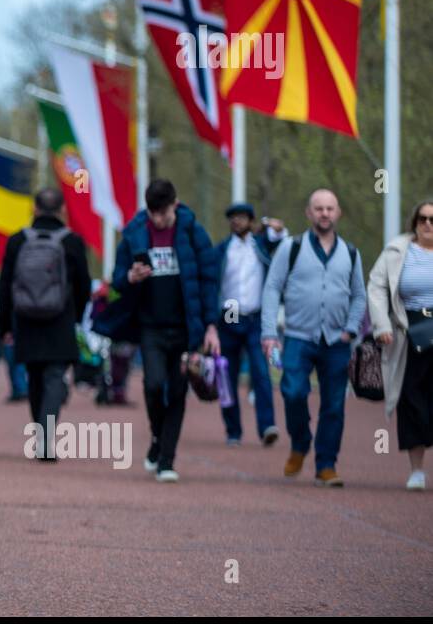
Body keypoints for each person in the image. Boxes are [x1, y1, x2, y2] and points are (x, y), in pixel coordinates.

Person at [112, 179, 220, 483]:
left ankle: (167, 461)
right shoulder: (135, 233)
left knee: (178, 389)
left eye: (164, 212)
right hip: (150, 326)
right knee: (153, 385)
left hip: (187, 326)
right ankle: (158, 438)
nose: (158, 219)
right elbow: (116, 278)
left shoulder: (193, 232)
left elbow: (210, 280)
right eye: (153, 213)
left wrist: (212, 326)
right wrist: (131, 277)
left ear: (175, 203)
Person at [261, 188, 366, 487]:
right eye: (318, 208)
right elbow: (271, 289)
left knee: (333, 404)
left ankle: (326, 464)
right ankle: (300, 441)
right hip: (297, 336)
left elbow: (359, 295)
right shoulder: (290, 248)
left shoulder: (350, 253)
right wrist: (269, 333)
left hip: (337, 341)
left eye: (330, 208)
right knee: (293, 392)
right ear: (309, 213)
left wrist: (351, 328)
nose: (324, 213)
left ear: (338, 213)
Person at [0, 187, 91, 461]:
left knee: (35, 377)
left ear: (34, 209)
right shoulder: (72, 242)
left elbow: (5, 286)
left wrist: (4, 326)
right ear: (62, 210)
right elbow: (83, 285)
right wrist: (77, 315)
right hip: (60, 319)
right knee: (54, 377)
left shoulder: (16, 241)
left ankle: (41, 434)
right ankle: (46, 438)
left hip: (26, 318)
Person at [366, 199, 433, 491]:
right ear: (414, 222)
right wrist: (381, 325)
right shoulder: (397, 251)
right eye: (423, 219)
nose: (429, 225)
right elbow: (377, 286)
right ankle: (416, 470)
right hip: (409, 331)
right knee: (411, 399)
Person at [213, 202, 286, 447]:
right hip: (230, 314)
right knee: (227, 375)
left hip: (255, 316)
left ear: (251, 221)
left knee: (261, 371)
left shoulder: (261, 245)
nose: (236, 221)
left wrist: (270, 224)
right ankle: (232, 429)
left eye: (242, 217)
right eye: (233, 218)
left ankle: (267, 426)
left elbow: (280, 236)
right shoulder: (223, 249)